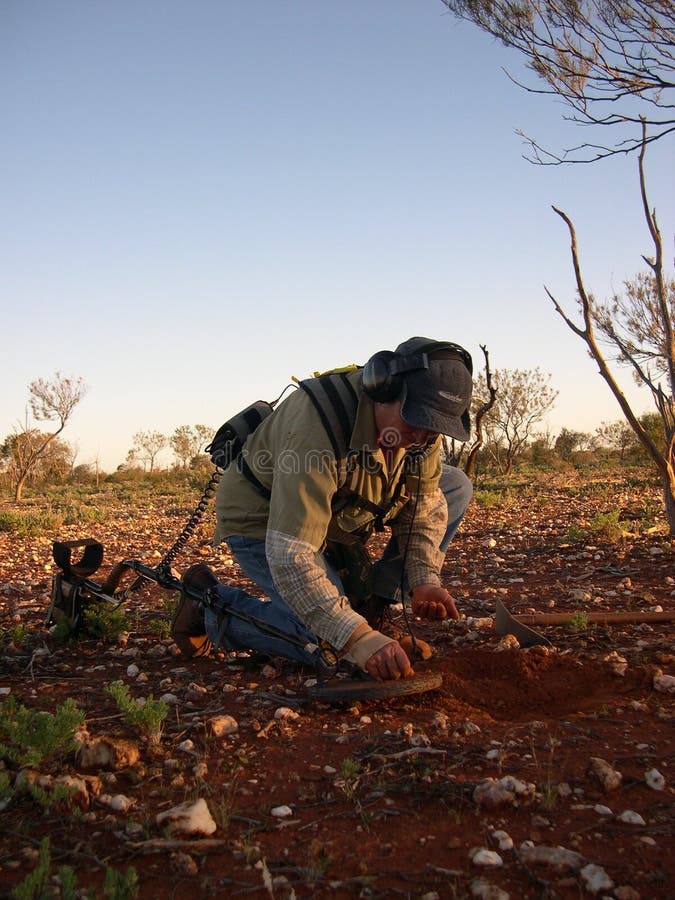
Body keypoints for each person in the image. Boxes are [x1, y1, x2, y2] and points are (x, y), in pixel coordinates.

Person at [172, 337, 473, 681]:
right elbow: (291, 554)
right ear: (383, 388)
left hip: (332, 512)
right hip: (263, 517)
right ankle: (207, 608)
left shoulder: (422, 433)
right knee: (328, 641)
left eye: (432, 430)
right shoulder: (317, 428)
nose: (420, 438)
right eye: (414, 422)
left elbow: (424, 507)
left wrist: (424, 580)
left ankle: (372, 609)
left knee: (453, 485)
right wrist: (356, 638)